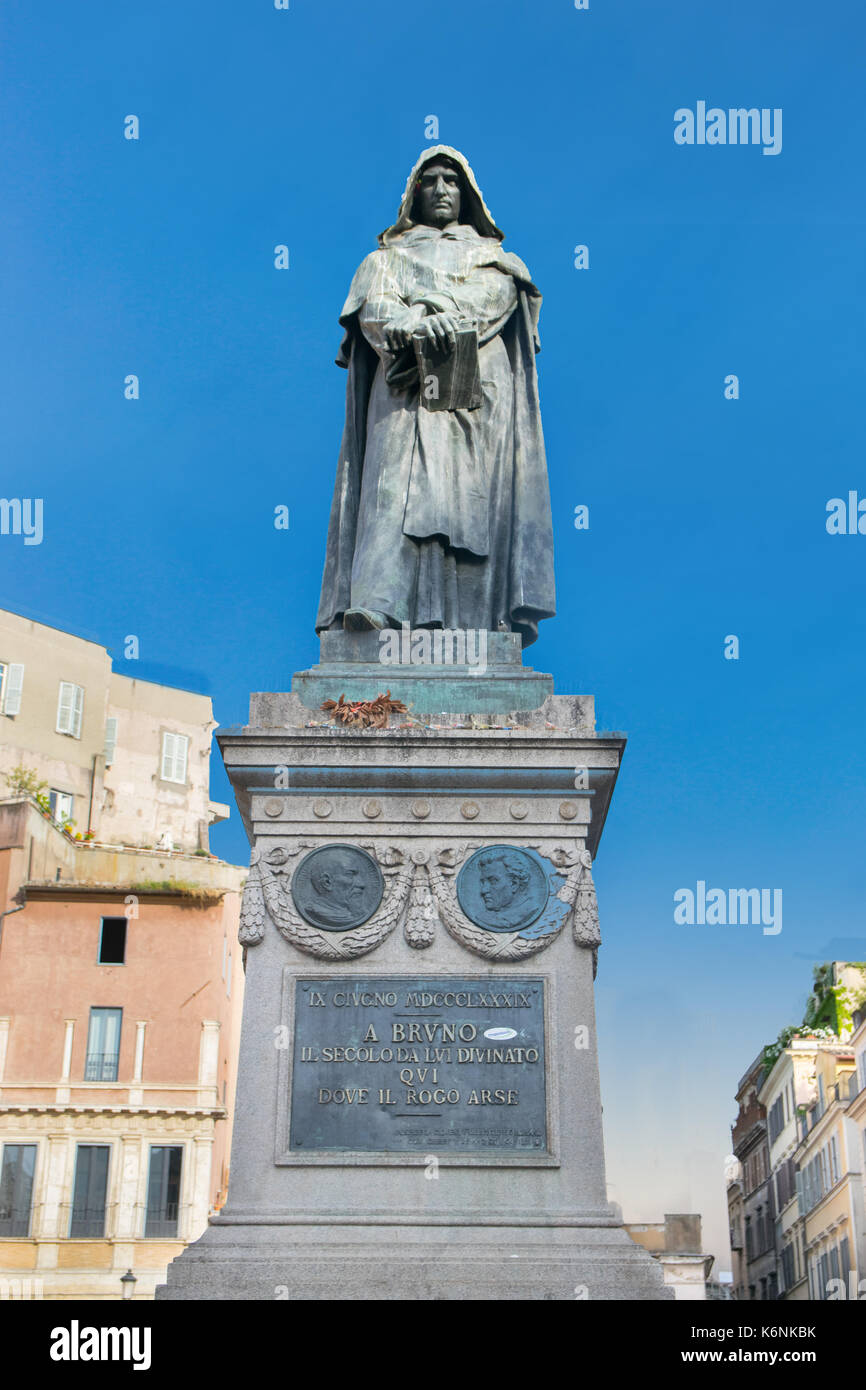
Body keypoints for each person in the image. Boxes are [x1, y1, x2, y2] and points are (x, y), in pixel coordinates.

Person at [315, 146, 555, 647]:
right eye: (432, 181)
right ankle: (379, 604)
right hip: (405, 381)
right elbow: (375, 309)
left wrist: (435, 306)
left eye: (452, 181)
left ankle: (474, 621)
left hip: (476, 393)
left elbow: (496, 299)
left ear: (467, 194)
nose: (443, 190)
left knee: (468, 501)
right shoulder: (385, 258)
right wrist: (414, 322)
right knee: (391, 486)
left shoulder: (495, 259)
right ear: (414, 194)